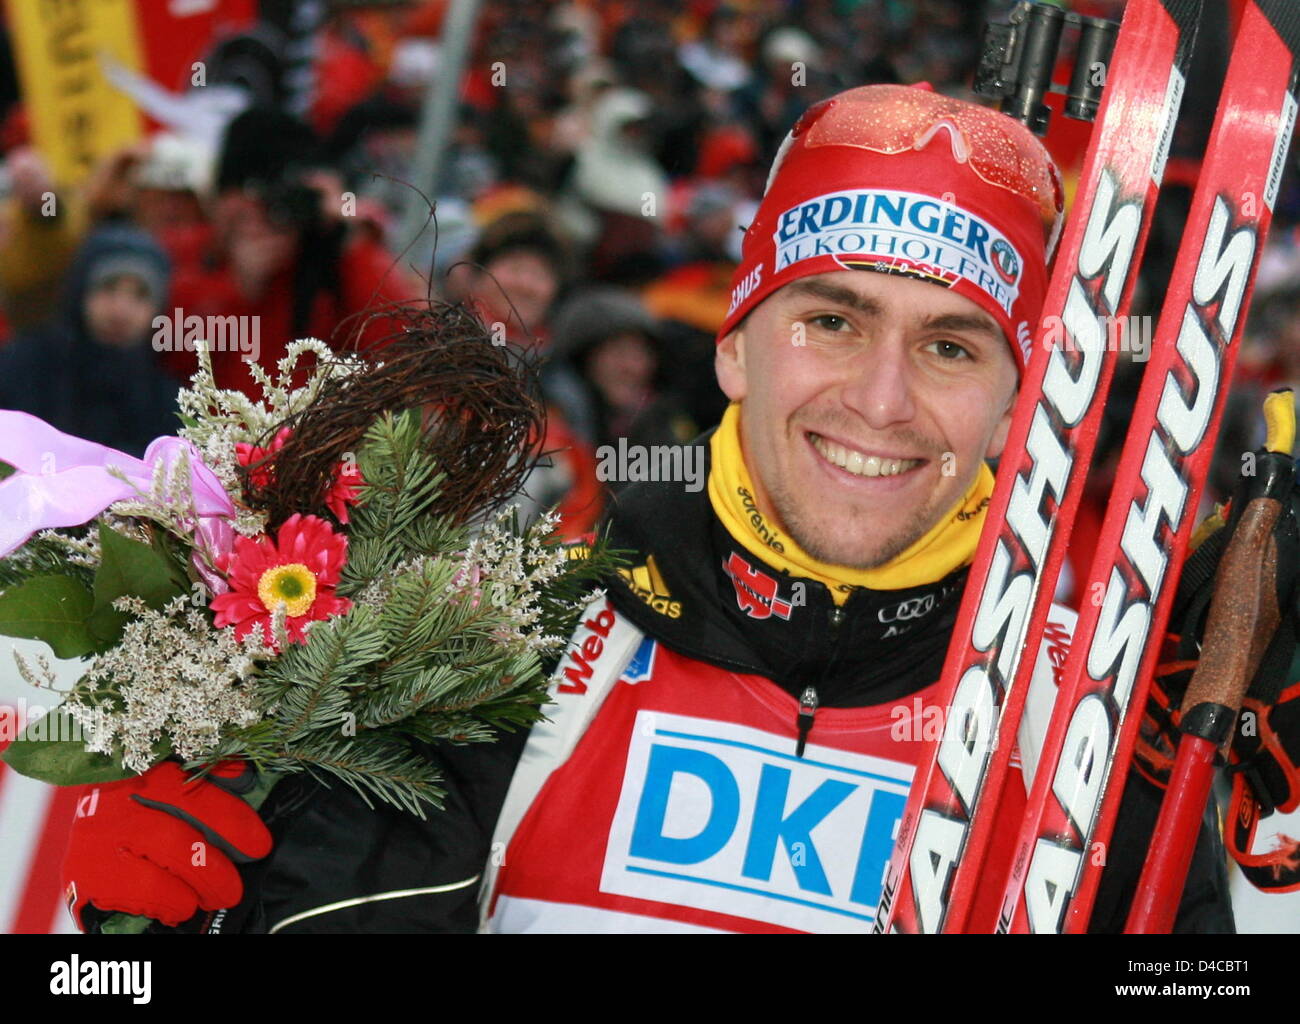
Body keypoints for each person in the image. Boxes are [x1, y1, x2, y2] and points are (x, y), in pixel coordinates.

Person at [59, 84, 1233, 934]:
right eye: (830, 320)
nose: (881, 402)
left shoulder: (1105, 741)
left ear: (1018, 398)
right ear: (734, 348)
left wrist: (1272, 887)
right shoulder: (489, 663)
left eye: (949, 345)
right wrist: (112, 949)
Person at [0, 225, 178, 457]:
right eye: (108, 287)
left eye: (140, 294)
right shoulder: (22, 369)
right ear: (81, 291)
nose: (120, 310)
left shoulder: (166, 402)